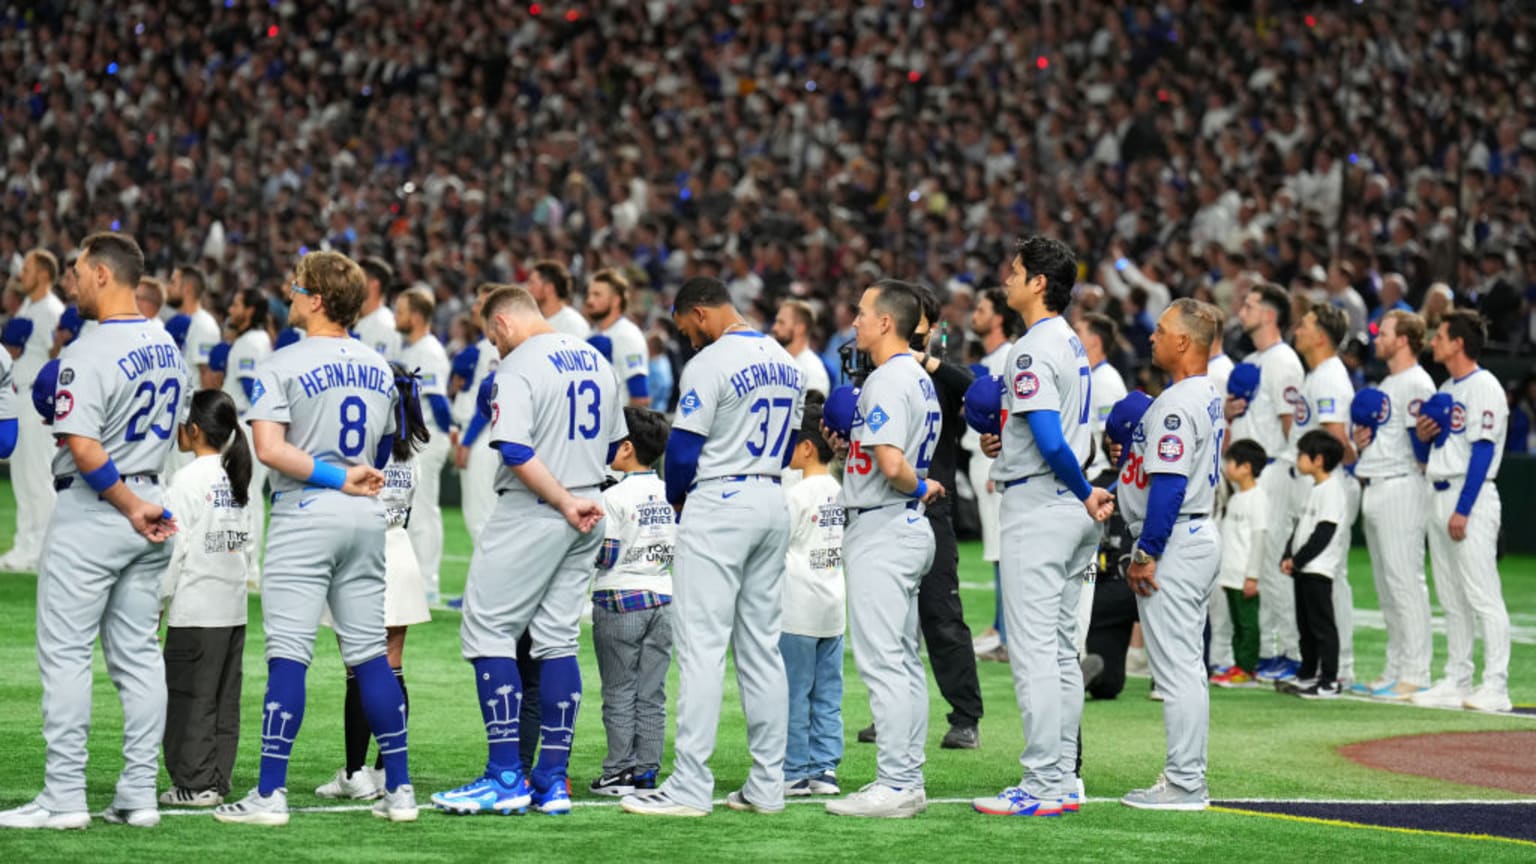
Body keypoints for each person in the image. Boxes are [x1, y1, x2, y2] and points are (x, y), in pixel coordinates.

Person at [215, 250, 415, 826]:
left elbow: (269, 448)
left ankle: (269, 794)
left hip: (306, 511)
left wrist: (333, 475)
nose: (290, 293)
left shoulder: (282, 361)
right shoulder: (378, 365)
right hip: (365, 517)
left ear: (319, 300)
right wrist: (350, 477)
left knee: (289, 658)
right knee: (370, 657)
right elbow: (382, 450)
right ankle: (399, 790)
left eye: (299, 287)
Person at [0, 232, 189, 831]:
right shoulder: (166, 344)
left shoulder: (88, 350)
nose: (72, 282)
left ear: (104, 274)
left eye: (79, 272)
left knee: (66, 655)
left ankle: (64, 797)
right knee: (138, 657)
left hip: (100, 506)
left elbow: (83, 448)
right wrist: (140, 505)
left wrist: (127, 505)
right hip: (152, 497)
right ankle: (139, 795)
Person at [432, 285, 621, 816]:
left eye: (493, 337)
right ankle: (552, 781)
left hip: (539, 509)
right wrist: (576, 494)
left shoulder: (517, 365)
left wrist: (561, 499)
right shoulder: (596, 360)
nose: (495, 347)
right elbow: (613, 444)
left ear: (504, 323)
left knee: (488, 629)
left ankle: (504, 776)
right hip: (591, 506)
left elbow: (514, 448)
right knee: (558, 639)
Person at [620, 276, 803, 818]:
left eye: (686, 327)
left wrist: (677, 498)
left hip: (720, 500)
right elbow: (789, 446)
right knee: (762, 649)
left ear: (700, 313)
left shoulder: (710, 361)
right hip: (771, 496)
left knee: (701, 649)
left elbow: (681, 452)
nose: (688, 338)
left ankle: (690, 787)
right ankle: (768, 785)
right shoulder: (786, 360)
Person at [974, 236, 1114, 818]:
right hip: (1067, 507)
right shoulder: (1070, 341)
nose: (1006, 278)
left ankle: (1040, 784)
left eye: (1015, 271)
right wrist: (1008, 441)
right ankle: (1062, 779)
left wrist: (1083, 491)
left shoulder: (1030, 348)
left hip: (1044, 504)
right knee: (1059, 653)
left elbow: (1053, 442)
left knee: (1033, 653)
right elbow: (1046, 433)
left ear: (1038, 282)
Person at [824, 279, 943, 819]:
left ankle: (896, 782)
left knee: (884, 663)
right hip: (903, 526)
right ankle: (907, 776)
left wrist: (920, 485)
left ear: (887, 322)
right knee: (904, 661)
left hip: (884, 525)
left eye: (862, 313)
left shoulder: (888, 379)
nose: (855, 322)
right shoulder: (916, 378)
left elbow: (894, 465)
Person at [1117, 298, 1224, 810]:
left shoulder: (1179, 402)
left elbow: (1169, 484)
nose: (1152, 337)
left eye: (1160, 331)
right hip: (1194, 533)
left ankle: (1185, 782)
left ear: (1183, 341)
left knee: (1178, 670)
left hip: (1176, 538)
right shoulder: (1203, 392)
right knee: (1186, 667)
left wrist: (1147, 551)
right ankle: (1186, 777)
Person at [314, 364, 434, 802]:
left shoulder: (361, 452)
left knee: (358, 668)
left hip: (363, 553)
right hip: (400, 549)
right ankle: (386, 769)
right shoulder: (412, 454)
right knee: (393, 665)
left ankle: (354, 772)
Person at [1411, 311, 1512, 713]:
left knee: (1483, 595)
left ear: (1458, 343)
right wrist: (1421, 438)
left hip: (1470, 496)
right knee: (1451, 597)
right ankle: (1457, 679)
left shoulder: (1484, 386)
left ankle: (1496, 685)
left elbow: (1483, 450)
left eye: (1440, 336)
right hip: (1438, 490)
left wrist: (1464, 509)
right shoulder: (1447, 387)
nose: (1433, 341)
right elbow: (1431, 451)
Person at [159, 389, 252, 808]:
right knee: (222, 699)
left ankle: (194, 785)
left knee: (188, 698)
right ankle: (215, 778)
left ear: (194, 430)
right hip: (232, 607)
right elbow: (248, 543)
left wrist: (157, 602)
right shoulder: (235, 474)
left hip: (195, 607)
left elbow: (173, 550)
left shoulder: (186, 480)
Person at [587, 407, 674, 797]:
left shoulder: (613, 496)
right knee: (652, 692)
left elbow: (605, 556)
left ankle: (619, 770)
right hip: (663, 595)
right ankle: (646, 771)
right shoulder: (670, 492)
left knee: (619, 690)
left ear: (626, 447)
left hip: (619, 597)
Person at [1350, 310, 1436, 700]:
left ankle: (1416, 672)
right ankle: (1395, 668)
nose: (1376, 338)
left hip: (1402, 484)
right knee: (1387, 588)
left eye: (1383, 333)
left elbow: (1422, 446)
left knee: (1405, 584)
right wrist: (1363, 441)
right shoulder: (1389, 382)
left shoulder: (1417, 382)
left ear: (1403, 340)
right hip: (1376, 481)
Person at [1225, 284, 1305, 683]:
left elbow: (1291, 425)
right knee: (1252, 566)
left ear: (1270, 315)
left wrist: (1292, 474)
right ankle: (1271, 649)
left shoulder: (1283, 361)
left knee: (1273, 565)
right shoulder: (1253, 359)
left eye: (1252, 305)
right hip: (1248, 474)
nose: (1243, 310)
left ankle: (1292, 651)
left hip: (1273, 469)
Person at [1280, 303, 1357, 685]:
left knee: (1329, 580)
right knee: (1313, 584)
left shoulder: (1328, 377)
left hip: (1330, 483)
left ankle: (1338, 668)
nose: (1298, 329)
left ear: (1322, 337)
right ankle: (1316, 667)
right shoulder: (1318, 374)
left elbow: (1336, 441)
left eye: (1306, 324)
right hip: (1315, 483)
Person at [780, 394, 845, 798]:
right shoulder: (840, 490)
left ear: (806, 447)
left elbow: (776, 548)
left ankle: (792, 770)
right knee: (828, 695)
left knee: (793, 693)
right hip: (833, 606)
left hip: (797, 609)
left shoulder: (796, 495)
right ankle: (824, 769)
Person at [966, 286, 1022, 662]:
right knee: (996, 548)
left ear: (999, 317)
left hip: (994, 458)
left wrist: (999, 463)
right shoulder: (991, 357)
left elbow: (1010, 413)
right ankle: (1000, 626)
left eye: (983, 309)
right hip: (981, 456)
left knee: (1004, 549)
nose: (976, 314)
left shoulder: (1007, 357)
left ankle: (1006, 630)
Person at [0, 248, 63, 574]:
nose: (21, 274)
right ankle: (24, 545)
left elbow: (61, 357)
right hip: (18, 395)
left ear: (43, 274)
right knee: (23, 480)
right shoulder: (28, 306)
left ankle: (42, 549)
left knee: (39, 478)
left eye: (27, 268)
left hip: (39, 401)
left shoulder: (52, 309)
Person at [394, 286, 453, 606]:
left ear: (416, 316)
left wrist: (449, 432)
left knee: (423, 513)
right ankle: (418, 580)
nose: (396, 316)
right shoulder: (412, 349)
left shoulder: (428, 350)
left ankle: (428, 583)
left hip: (427, 441)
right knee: (413, 514)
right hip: (415, 442)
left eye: (401, 311)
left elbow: (439, 402)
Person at [1279, 430, 1349, 700]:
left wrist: (1298, 560)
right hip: (1304, 569)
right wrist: (1289, 555)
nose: (1298, 458)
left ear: (1318, 460)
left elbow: (1324, 533)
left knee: (1322, 627)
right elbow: (1300, 527)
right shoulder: (1315, 489)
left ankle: (1329, 681)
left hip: (1318, 569)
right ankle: (1307, 674)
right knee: (1305, 626)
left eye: (1302, 454)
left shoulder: (1332, 490)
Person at [221, 287, 273, 585]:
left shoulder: (250, 342)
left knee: (246, 494)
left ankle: (250, 566)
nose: (232, 308)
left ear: (250, 310)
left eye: (238, 304)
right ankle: (247, 563)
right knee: (247, 494)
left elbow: (253, 388)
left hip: (246, 422)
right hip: (252, 423)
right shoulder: (259, 339)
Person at [1211, 439, 1269, 688]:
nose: (1227, 467)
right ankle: (1238, 665)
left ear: (1246, 467)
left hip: (1245, 575)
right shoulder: (1236, 498)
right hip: (1230, 573)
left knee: (1247, 624)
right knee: (1237, 623)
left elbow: (1259, 538)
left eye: (1231, 463)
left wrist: (1252, 575)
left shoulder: (1257, 498)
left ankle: (1247, 668)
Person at [584, 269, 653, 407]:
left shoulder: (627, 335)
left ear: (616, 301)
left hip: (617, 419)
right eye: (589, 294)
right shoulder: (593, 333)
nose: (589, 300)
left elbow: (641, 398)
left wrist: (623, 421)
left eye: (597, 295)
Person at [771, 299, 832, 398]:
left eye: (781, 322)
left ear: (800, 328)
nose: (774, 328)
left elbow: (812, 407)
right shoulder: (774, 359)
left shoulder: (813, 372)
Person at [527, 260, 591, 339]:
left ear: (549, 288)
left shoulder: (573, 324)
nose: (528, 289)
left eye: (532, 283)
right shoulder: (532, 320)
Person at [355, 257, 401, 361]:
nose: (354, 283)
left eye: (359, 278)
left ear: (374, 284)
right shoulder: (361, 319)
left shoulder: (384, 325)